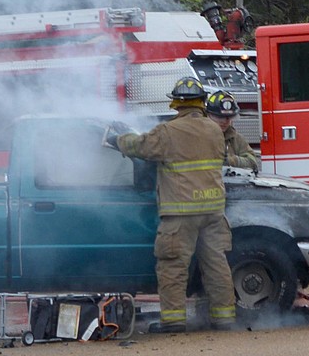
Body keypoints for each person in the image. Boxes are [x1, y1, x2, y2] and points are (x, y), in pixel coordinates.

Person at [107, 76, 237, 332]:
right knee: (216, 265)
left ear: (176, 104)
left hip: (181, 212)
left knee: (173, 266)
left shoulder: (168, 132)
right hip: (213, 211)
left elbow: (140, 146)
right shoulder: (214, 130)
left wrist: (117, 139)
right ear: (201, 103)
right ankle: (224, 319)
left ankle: (174, 321)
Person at [205, 90, 260, 172]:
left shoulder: (236, 138)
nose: (224, 121)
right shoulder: (200, 137)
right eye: (219, 117)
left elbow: (252, 162)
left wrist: (231, 161)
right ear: (208, 115)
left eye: (229, 117)